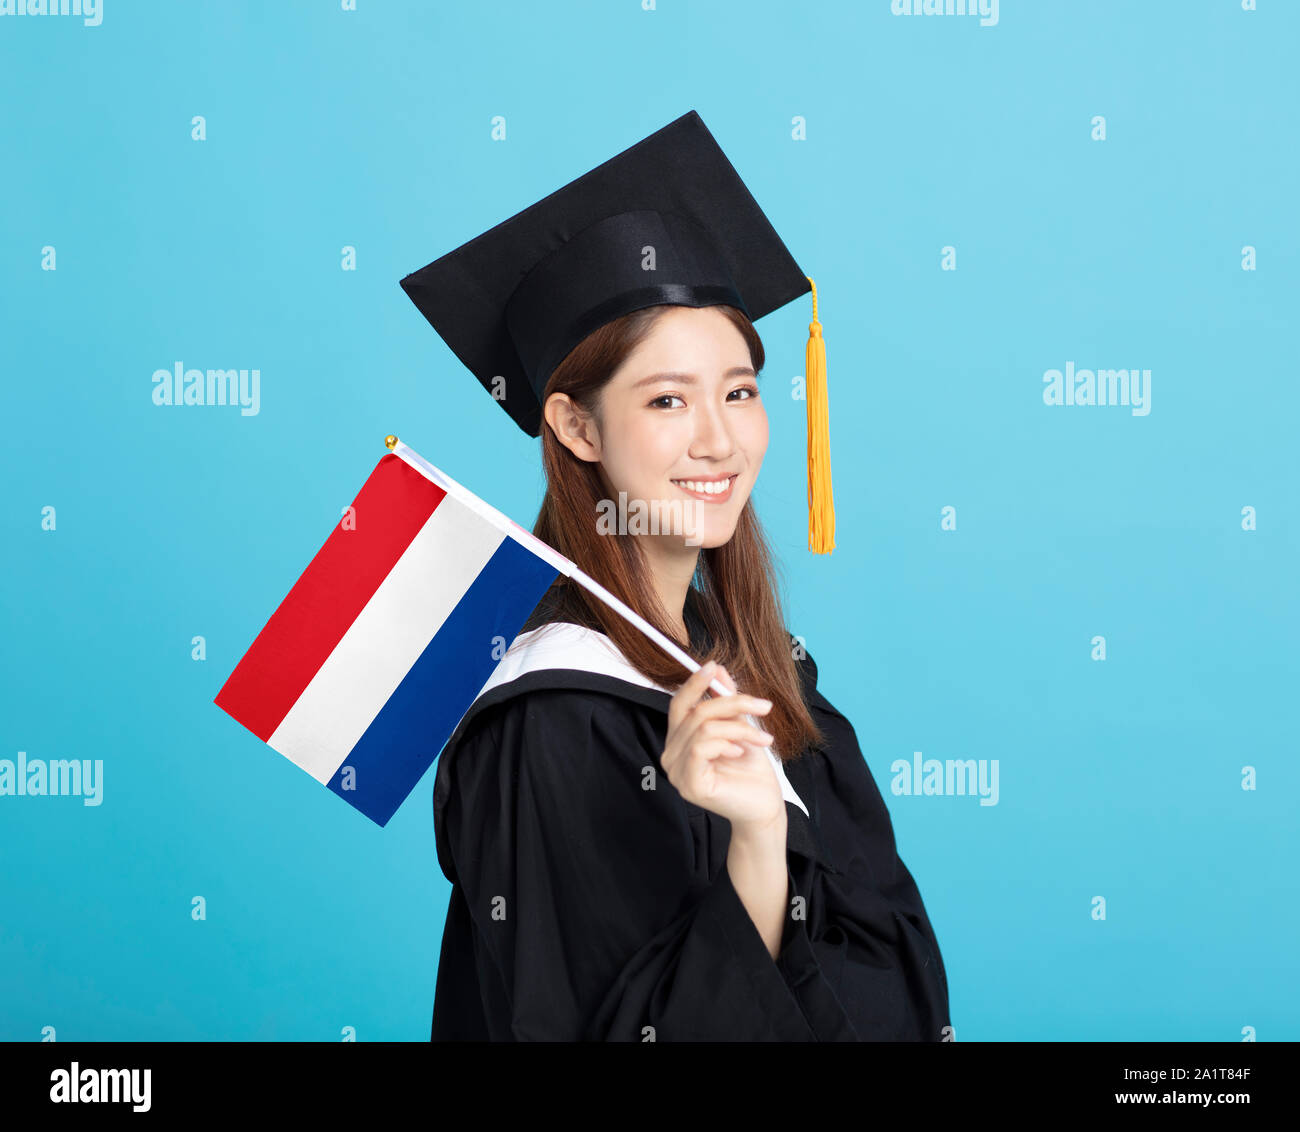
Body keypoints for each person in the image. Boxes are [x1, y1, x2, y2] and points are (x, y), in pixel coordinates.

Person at [401, 110, 952, 1041]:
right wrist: (757, 850)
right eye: (667, 399)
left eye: (739, 390)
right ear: (577, 429)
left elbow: (890, 966)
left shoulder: (752, 665)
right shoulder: (550, 721)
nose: (719, 440)